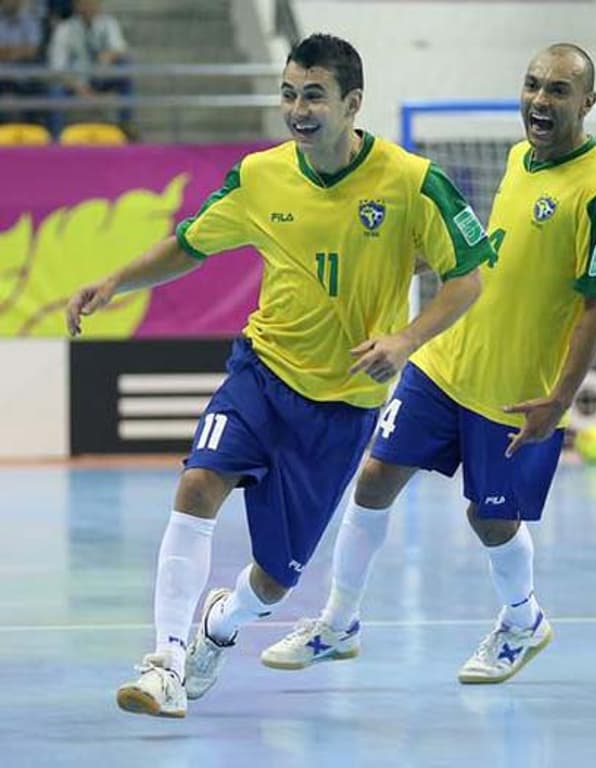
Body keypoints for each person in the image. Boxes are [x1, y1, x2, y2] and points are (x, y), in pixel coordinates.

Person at [65, 33, 493, 718]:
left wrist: (407, 339)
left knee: (273, 581)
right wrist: (116, 281)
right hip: (261, 372)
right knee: (199, 481)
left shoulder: (413, 181)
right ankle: (165, 660)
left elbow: (467, 279)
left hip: (343, 406)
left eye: (313, 95)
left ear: (352, 103)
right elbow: (190, 243)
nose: (297, 109)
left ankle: (220, 625)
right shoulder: (261, 175)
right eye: (289, 93)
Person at [258, 42, 596, 685]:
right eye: (533, 84)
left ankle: (523, 620)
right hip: (445, 361)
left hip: (515, 389)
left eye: (558, 91)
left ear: (587, 103)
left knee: (489, 517)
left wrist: (560, 400)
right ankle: (337, 621)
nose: (540, 101)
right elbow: (494, 249)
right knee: (374, 478)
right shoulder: (519, 159)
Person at [47, 0, 131, 134]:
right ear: (76, 5)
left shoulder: (108, 23)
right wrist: (80, 88)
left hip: (100, 77)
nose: (89, 7)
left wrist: (109, 55)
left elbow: (120, 47)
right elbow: (58, 66)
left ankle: (127, 127)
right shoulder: (64, 28)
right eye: (85, 3)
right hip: (74, 81)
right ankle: (55, 137)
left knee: (125, 71)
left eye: (93, 3)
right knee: (55, 92)